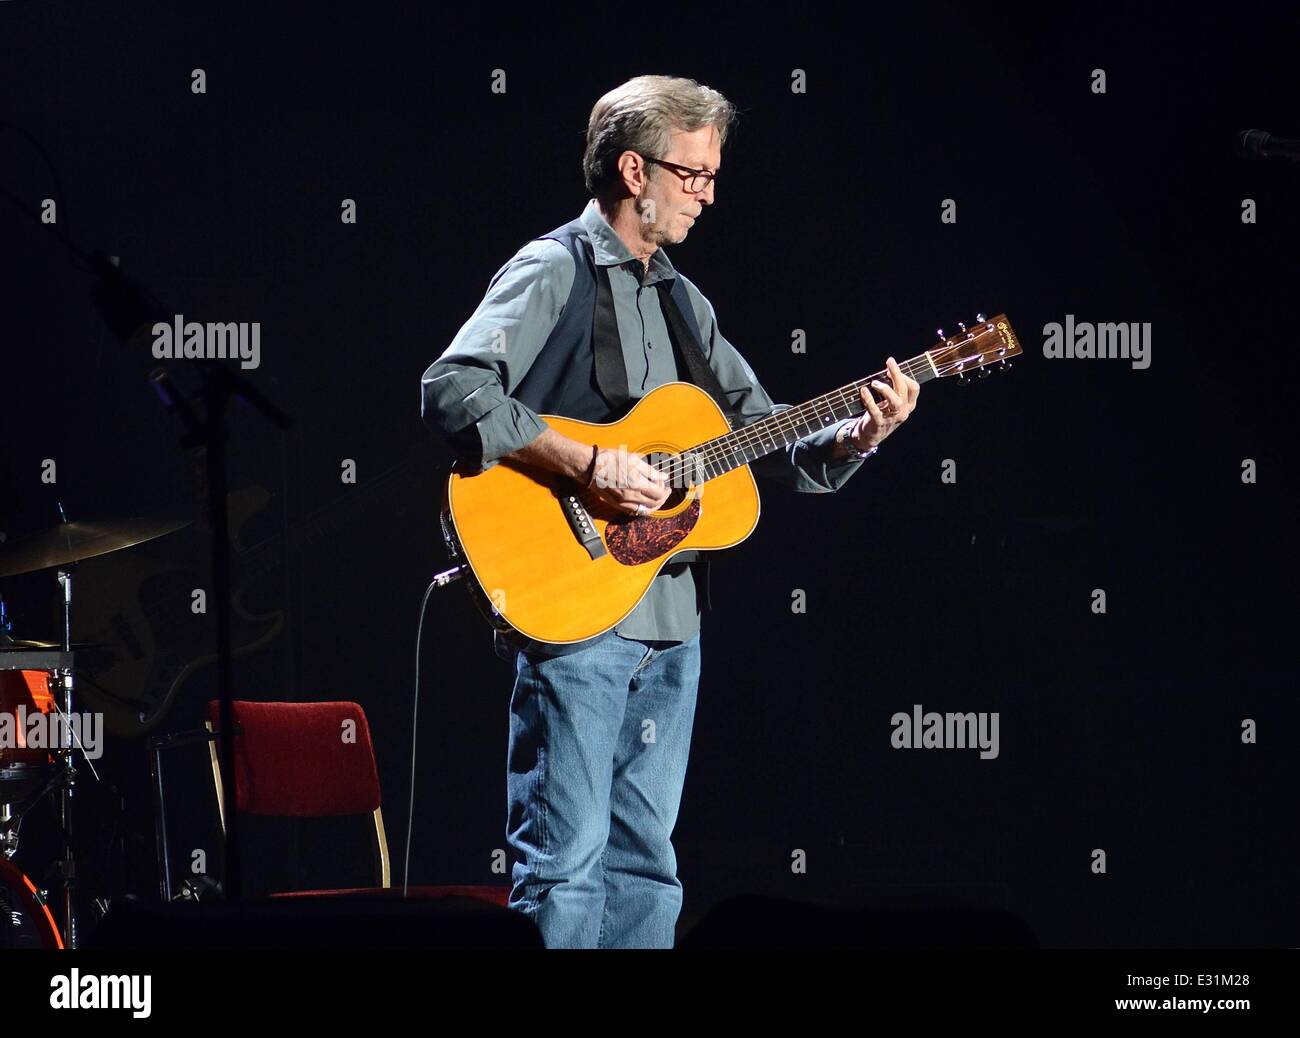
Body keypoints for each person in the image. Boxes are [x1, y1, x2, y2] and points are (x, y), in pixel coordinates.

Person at [420, 74, 920, 948]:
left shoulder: (686, 300)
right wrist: (587, 464)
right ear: (633, 170)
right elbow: (452, 390)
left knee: (649, 867)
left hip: (672, 616)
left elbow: (768, 433)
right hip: (576, 608)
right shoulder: (554, 267)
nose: (709, 195)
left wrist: (854, 439)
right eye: (693, 175)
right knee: (566, 868)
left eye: (714, 175)